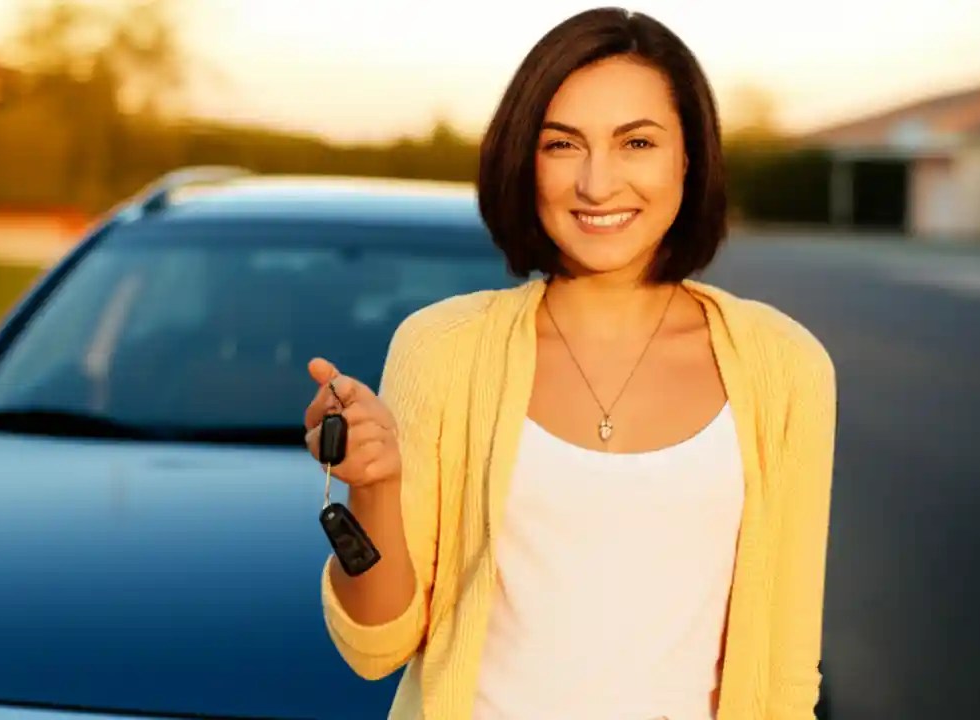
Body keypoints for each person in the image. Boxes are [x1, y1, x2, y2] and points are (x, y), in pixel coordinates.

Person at [302, 7, 837, 719]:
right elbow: (375, 648)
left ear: (689, 158)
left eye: (637, 142)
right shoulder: (443, 348)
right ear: (525, 160)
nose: (597, 183)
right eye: (562, 145)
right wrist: (373, 485)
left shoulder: (786, 366)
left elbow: (788, 675)